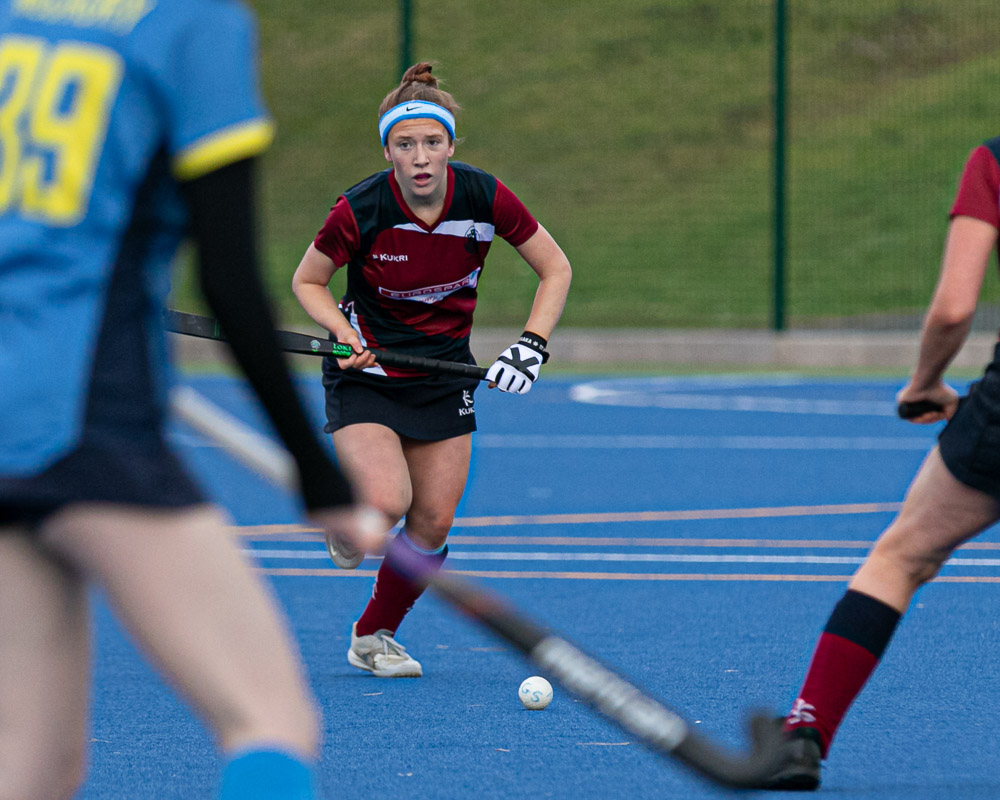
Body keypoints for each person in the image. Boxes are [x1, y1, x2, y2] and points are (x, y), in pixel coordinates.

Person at [0, 1, 381, 798]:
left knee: (32, 765)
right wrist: (318, 474)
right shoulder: (193, 22)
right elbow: (229, 282)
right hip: (83, 421)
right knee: (269, 721)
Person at [292, 62, 572, 678]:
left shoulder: (483, 197)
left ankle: (373, 636)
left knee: (433, 521)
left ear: (450, 145)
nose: (420, 158)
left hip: (444, 374)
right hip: (368, 373)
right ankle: (353, 517)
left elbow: (556, 268)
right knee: (386, 502)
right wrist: (343, 334)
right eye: (405, 144)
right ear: (387, 150)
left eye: (432, 142)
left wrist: (531, 345)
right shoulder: (360, 208)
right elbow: (308, 281)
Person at [760, 136, 1000, 791]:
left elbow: (954, 308)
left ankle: (804, 734)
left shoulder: (993, 160)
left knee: (901, 557)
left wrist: (924, 382)